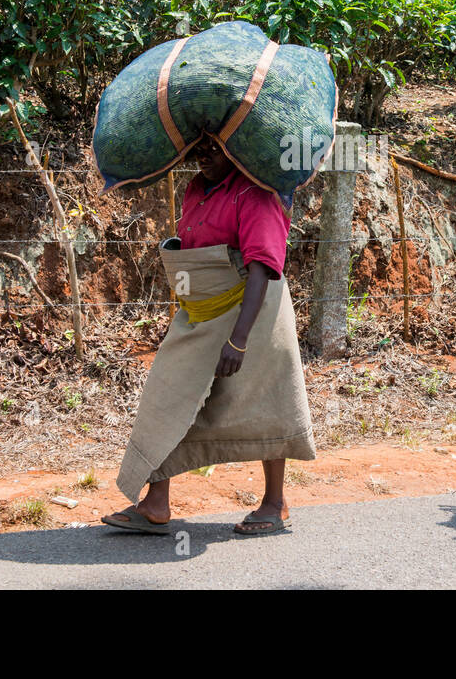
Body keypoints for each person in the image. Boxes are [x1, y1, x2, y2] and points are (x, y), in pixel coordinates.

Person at [104, 137, 316, 535]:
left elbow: (261, 267)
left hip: (255, 313)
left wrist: (238, 340)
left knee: (266, 401)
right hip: (202, 314)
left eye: (214, 148)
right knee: (168, 393)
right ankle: (156, 502)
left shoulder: (256, 193)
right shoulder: (196, 189)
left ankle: (274, 503)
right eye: (197, 148)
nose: (203, 155)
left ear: (236, 149)